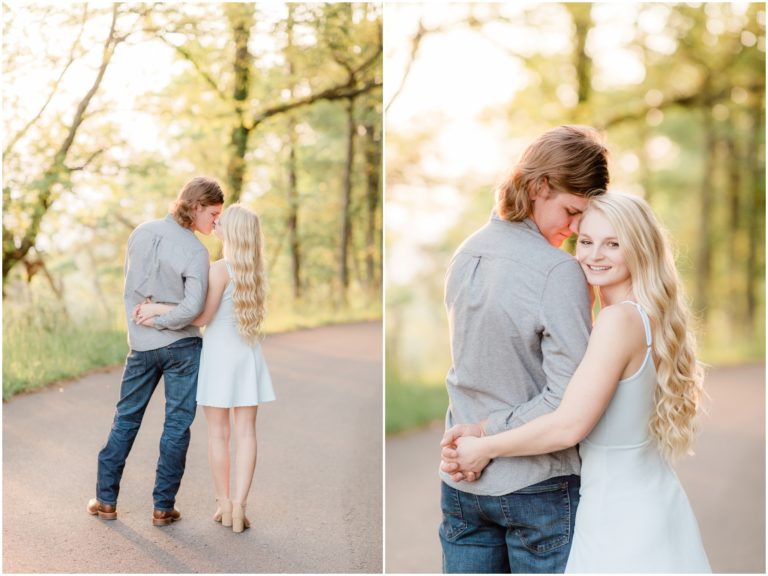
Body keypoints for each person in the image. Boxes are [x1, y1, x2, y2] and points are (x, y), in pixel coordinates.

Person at [441, 192, 711, 573]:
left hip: (617, 519)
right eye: (586, 241)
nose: (593, 255)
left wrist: (484, 447)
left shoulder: (618, 323)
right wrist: (484, 426)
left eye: (613, 244)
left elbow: (568, 425)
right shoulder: (643, 317)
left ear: (640, 249)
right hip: (651, 502)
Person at [438, 125, 609, 573]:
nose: (574, 230)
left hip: (461, 486)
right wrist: (486, 437)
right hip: (537, 487)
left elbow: (471, 372)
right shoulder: (559, 271)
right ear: (539, 186)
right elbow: (567, 399)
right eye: (571, 212)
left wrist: (470, 441)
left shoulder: (465, 253)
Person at [87, 176, 224, 526]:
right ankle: (163, 507)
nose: (216, 222)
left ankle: (105, 500)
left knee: (126, 419)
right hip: (182, 348)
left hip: (143, 346)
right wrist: (166, 321)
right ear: (195, 206)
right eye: (213, 213)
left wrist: (145, 324)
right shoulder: (196, 251)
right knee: (177, 426)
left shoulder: (142, 232)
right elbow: (193, 309)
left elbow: (130, 291)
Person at [135, 203, 275, 533]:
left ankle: (224, 504)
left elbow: (200, 317)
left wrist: (157, 308)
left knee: (218, 433)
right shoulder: (254, 270)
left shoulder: (220, 269)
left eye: (221, 223)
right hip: (247, 355)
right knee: (246, 434)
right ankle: (240, 508)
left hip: (219, 356)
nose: (216, 225)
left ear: (233, 232)